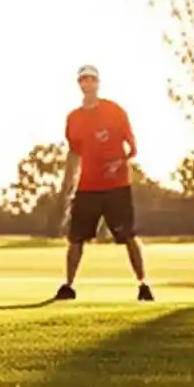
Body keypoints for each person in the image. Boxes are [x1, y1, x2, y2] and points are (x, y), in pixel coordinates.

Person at [55, 65, 153, 302]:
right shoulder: (73, 118)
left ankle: (143, 284)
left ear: (98, 83)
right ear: (79, 84)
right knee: (76, 238)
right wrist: (67, 185)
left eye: (92, 80)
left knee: (128, 235)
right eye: (83, 80)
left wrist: (118, 163)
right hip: (87, 187)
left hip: (116, 186)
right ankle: (68, 286)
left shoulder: (114, 110)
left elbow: (133, 148)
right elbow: (74, 153)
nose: (88, 84)